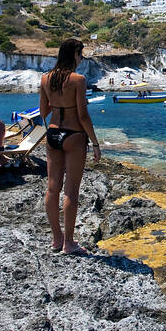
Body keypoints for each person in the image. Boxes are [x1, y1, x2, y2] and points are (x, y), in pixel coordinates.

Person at [39, 39, 102, 254]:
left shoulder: (46, 78)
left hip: (53, 134)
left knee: (52, 187)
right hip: (74, 135)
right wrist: (95, 142)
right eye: (80, 54)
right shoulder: (78, 80)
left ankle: (56, 239)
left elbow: (43, 111)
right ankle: (69, 242)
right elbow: (83, 115)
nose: (81, 58)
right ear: (74, 54)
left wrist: (57, 104)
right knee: (71, 192)